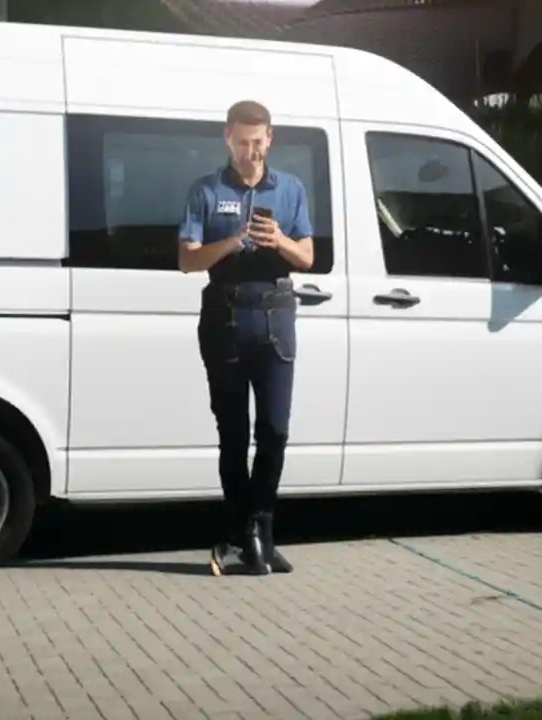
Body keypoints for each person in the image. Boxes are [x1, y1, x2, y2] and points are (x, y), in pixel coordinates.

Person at [177, 99, 315, 576]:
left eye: (258, 143)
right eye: (242, 143)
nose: (251, 152)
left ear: (270, 139)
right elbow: (188, 260)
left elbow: (308, 258)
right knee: (233, 436)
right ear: (227, 138)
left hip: (277, 320)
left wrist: (279, 241)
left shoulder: (292, 189)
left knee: (275, 431)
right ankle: (239, 536)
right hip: (225, 320)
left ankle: (263, 532)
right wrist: (233, 240)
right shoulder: (206, 190)